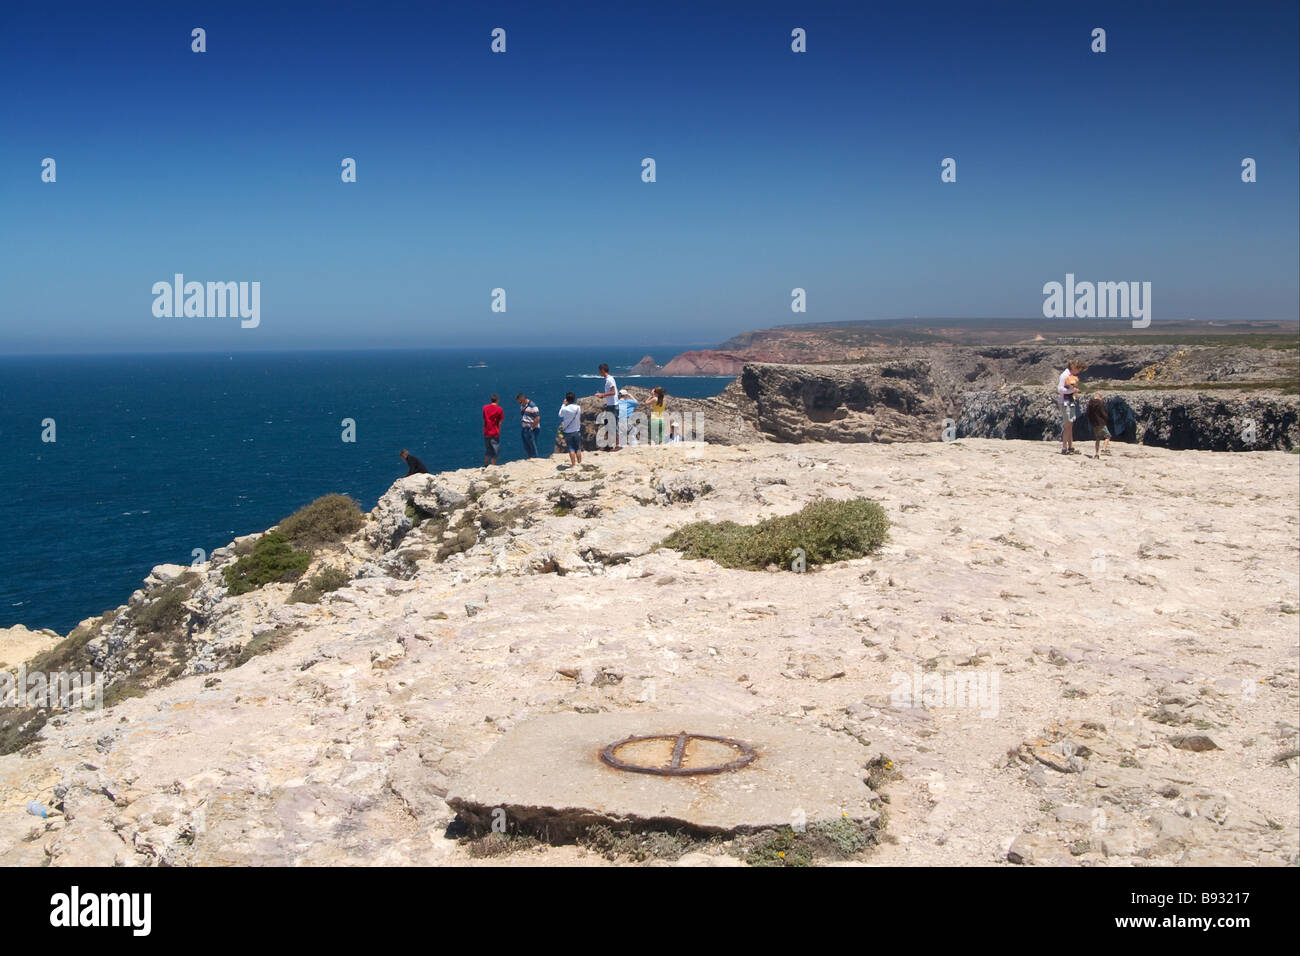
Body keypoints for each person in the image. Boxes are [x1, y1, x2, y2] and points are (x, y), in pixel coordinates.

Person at [1056, 361, 1086, 455]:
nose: (1078, 372)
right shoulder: (1064, 375)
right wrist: (1072, 390)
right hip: (1065, 402)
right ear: (1074, 368)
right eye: (1078, 370)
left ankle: (1071, 447)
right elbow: (1060, 389)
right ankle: (1064, 447)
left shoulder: (1070, 376)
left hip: (1070, 401)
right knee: (1067, 425)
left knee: (1070, 425)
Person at [595, 363, 619, 449]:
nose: (599, 373)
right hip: (611, 405)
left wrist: (602, 395)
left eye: (599, 372)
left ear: (602, 370)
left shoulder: (610, 380)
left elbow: (613, 392)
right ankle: (611, 445)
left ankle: (616, 445)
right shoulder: (609, 379)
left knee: (612, 425)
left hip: (613, 406)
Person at [559, 391, 583, 468]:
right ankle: (579, 463)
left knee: (571, 448)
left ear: (567, 399)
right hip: (576, 430)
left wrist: (563, 404)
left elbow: (560, 414)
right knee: (578, 448)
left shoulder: (565, 409)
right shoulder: (578, 408)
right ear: (574, 399)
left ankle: (573, 464)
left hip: (568, 431)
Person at [1086, 392, 1112, 458]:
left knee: (1097, 438)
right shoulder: (1100, 404)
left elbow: (1088, 414)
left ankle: (1096, 454)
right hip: (1101, 423)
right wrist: (1106, 418)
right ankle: (1104, 449)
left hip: (1094, 424)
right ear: (1100, 397)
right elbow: (1103, 413)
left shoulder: (1090, 404)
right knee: (1108, 436)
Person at [482, 394, 504, 466]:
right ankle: (493, 465)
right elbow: (500, 422)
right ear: (497, 400)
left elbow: (484, 418)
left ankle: (485, 465)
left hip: (486, 431)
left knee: (488, 449)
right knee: (495, 450)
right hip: (494, 432)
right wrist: (499, 431)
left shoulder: (485, 408)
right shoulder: (499, 409)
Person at [516, 393, 541, 459]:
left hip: (532, 427)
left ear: (524, 400)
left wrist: (531, 427)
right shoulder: (522, 406)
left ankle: (534, 457)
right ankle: (529, 457)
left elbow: (537, 418)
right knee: (526, 444)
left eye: (520, 402)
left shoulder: (533, 406)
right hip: (525, 427)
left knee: (532, 443)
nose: (520, 404)